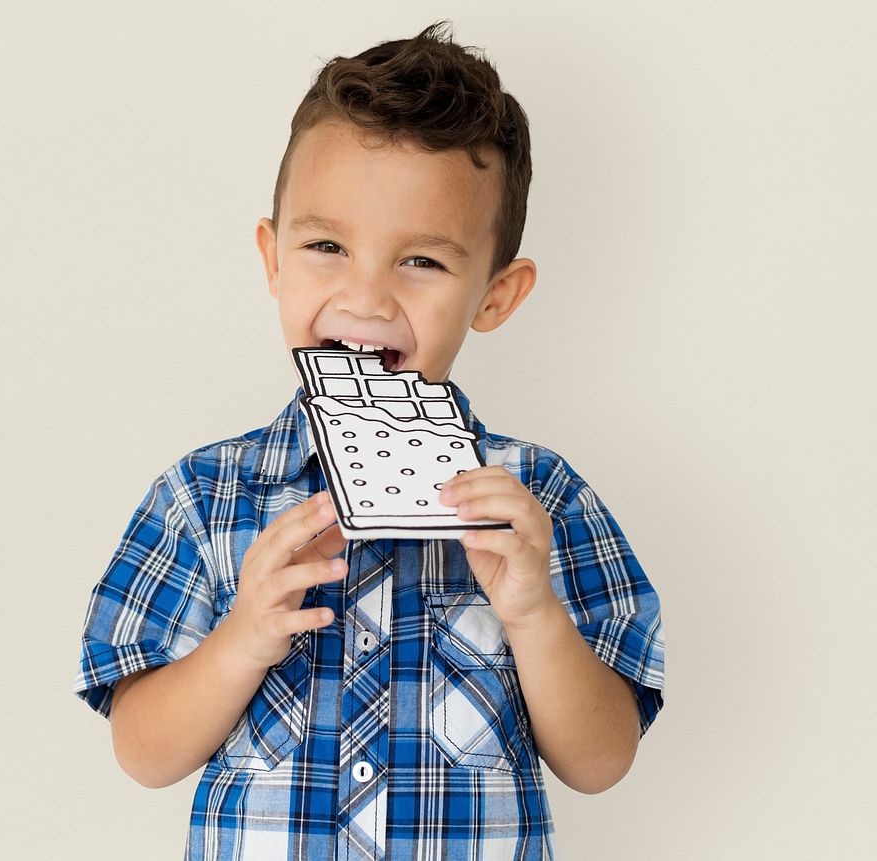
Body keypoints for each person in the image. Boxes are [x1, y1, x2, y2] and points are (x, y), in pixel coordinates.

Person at [73, 20, 665, 860]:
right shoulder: (203, 495)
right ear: (272, 259)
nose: (366, 295)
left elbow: (602, 761)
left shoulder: (543, 498)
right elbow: (142, 751)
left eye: (420, 261)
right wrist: (243, 635)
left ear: (495, 295)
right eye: (326, 246)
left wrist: (534, 614)